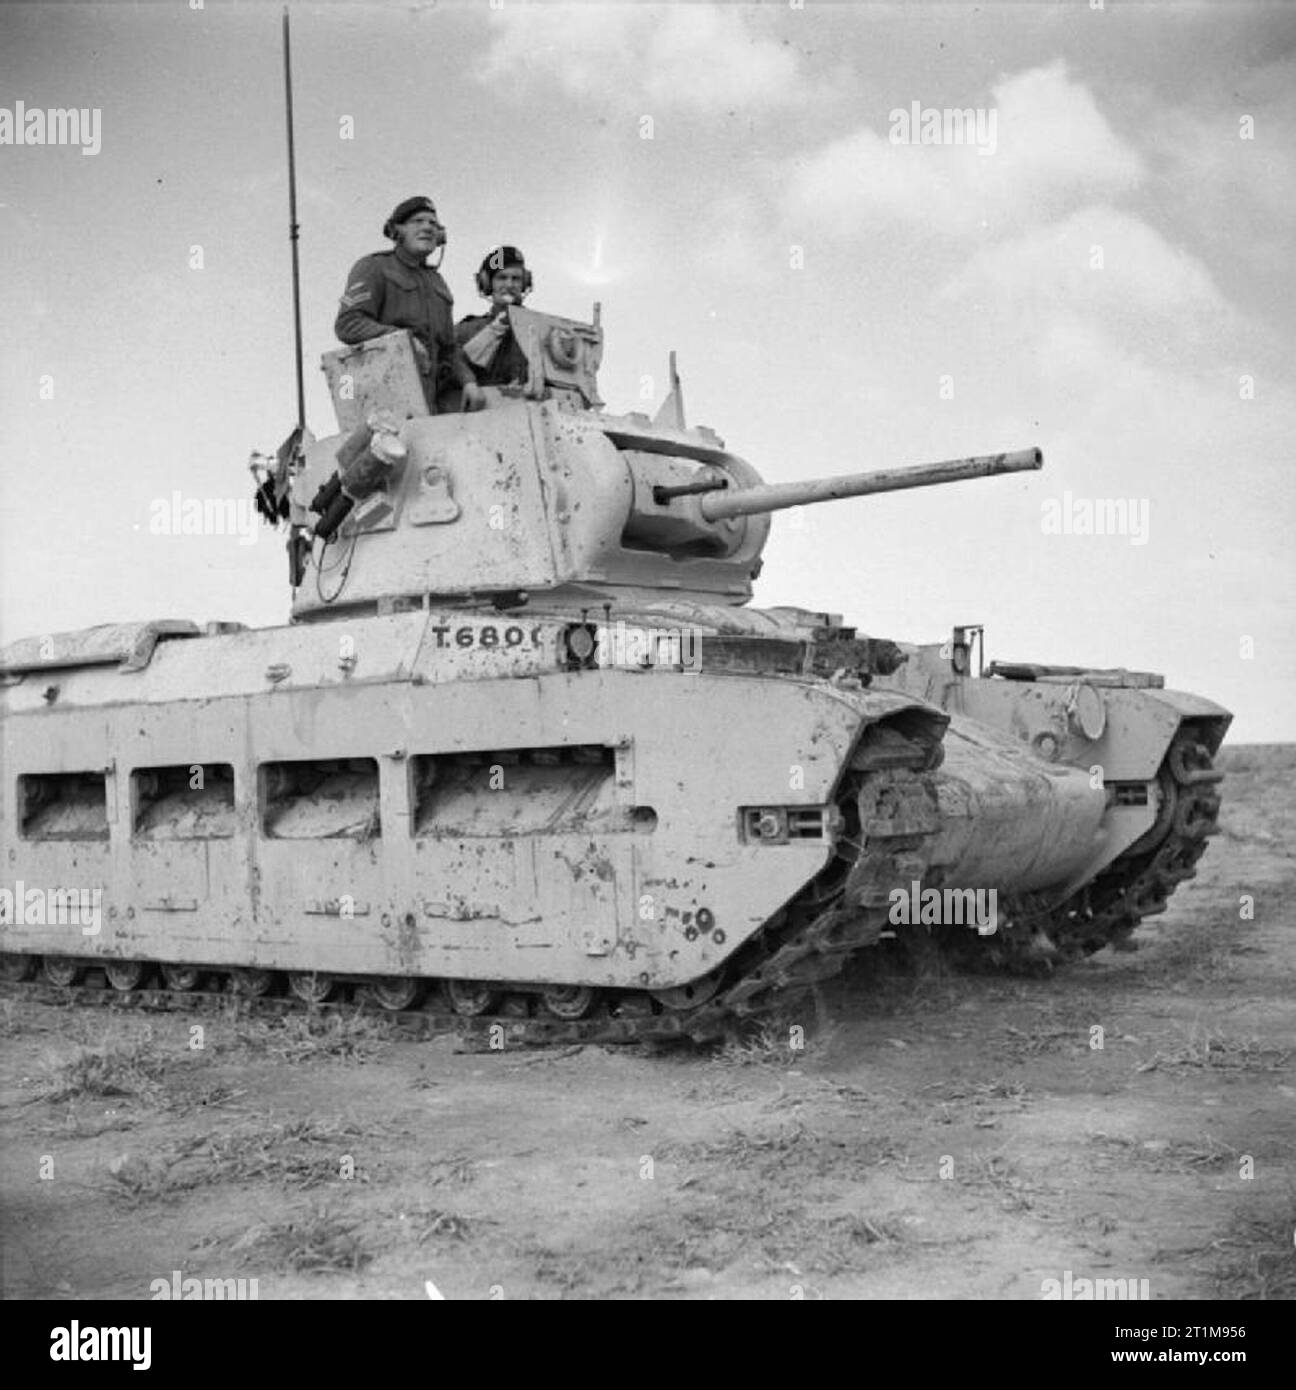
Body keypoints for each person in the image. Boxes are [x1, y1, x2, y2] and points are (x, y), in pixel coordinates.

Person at [335, 196, 485, 413]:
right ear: (398, 231)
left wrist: (468, 381)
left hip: (431, 400)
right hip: (383, 397)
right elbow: (348, 324)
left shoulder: (437, 282)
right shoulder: (374, 267)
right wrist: (403, 340)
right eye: (418, 221)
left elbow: (448, 348)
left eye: (433, 224)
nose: (427, 228)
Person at [455, 245, 533, 388]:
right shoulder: (466, 331)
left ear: (524, 283)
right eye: (502, 278)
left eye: (515, 279)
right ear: (487, 284)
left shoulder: (539, 329)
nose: (509, 285)